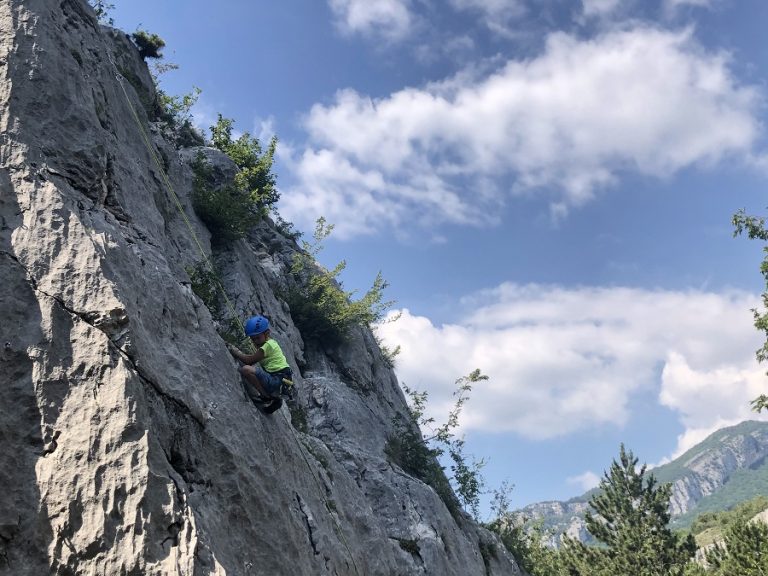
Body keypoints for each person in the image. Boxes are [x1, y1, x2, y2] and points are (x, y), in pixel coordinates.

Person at [227, 315, 292, 413]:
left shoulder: (267, 346)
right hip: (282, 379)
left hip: (277, 379)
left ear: (267, 333)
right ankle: (273, 398)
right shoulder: (271, 343)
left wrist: (235, 351)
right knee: (251, 370)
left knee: (246, 370)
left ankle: (266, 397)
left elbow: (249, 361)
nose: (255, 341)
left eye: (257, 338)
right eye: (253, 339)